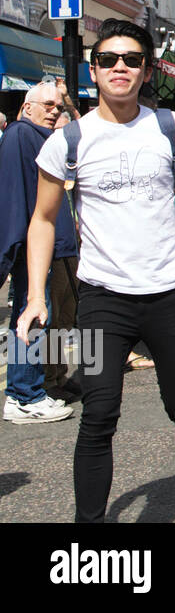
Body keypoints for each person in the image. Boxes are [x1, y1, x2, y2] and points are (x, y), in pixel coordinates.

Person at [17, 18, 175, 522]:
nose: (120, 68)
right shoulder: (67, 141)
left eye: (132, 60)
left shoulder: (171, 128)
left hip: (167, 294)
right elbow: (42, 221)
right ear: (93, 71)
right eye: (109, 60)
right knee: (97, 415)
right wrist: (35, 296)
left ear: (146, 70)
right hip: (103, 300)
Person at [1, 83, 79, 422]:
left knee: (46, 321)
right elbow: (15, 195)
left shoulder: (42, 137)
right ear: (26, 107)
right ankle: (23, 395)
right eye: (47, 105)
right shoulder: (21, 135)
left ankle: (37, 388)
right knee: (29, 319)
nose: (53, 111)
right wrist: (14, 247)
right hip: (32, 251)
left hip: (52, 248)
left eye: (57, 107)